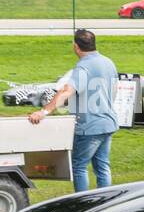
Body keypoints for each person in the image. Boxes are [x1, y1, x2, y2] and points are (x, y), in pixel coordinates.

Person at [29, 29, 118, 193]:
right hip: (109, 122)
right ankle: (106, 201)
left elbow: (66, 92)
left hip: (90, 126)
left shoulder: (83, 67)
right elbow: (114, 90)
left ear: (75, 46)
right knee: (102, 166)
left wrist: (44, 112)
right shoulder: (108, 62)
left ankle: (83, 203)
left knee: (79, 166)